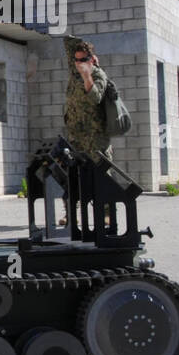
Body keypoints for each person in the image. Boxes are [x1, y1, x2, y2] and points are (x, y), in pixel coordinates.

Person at [60, 35, 114, 228]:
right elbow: (68, 46)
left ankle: (107, 214)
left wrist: (87, 75)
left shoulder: (98, 75)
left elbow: (95, 98)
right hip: (76, 138)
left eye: (83, 60)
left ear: (92, 59)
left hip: (96, 139)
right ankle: (70, 215)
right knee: (71, 176)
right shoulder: (73, 75)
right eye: (76, 60)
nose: (79, 63)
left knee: (103, 176)